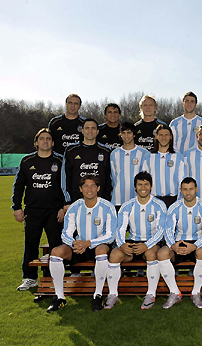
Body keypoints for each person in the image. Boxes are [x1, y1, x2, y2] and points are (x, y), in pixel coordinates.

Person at [46, 175, 116, 312]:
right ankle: (60, 297)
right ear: (80, 189)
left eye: (92, 186)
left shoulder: (108, 207)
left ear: (98, 188)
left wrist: (88, 243)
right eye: (85, 186)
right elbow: (66, 232)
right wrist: (74, 244)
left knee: (102, 250)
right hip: (78, 247)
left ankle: (98, 295)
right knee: (56, 252)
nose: (89, 189)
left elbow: (110, 235)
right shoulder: (74, 207)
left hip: (98, 245)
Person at [12, 128, 66, 291]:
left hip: (54, 211)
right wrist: (17, 207)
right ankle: (29, 278)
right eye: (42, 138)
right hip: (33, 210)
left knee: (56, 245)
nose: (45, 141)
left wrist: (64, 207)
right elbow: (19, 185)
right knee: (31, 244)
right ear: (36, 143)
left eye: (48, 138)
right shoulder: (27, 161)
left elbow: (66, 186)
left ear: (53, 142)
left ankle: (54, 276)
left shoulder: (60, 161)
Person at [104, 172, 167, 310]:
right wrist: (122, 244)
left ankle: (151, 294)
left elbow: (161, 230)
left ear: (151, 186)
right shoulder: (127, 206)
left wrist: (147, 245)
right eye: (140, 184)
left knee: (151, 254)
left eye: (146, 184)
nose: (143, 187)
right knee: (114, 255)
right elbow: (119, 229)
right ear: (135, 187)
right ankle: (113, 294)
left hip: (151, 242)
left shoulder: (159, 205)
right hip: (132, 241)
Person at [156, 177, 202, 309]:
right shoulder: (174, 207)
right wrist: (173, 245)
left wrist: (195, 245)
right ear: (181, 191)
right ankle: (175, 292)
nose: (188, 193)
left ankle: (196, 292)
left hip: (197, 243)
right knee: (162, 253)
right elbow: (168, 229)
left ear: (196, 189)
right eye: (185, 189)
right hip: (178, 243)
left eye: (191, 189)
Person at [61, 118, 112, 203]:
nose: (90, 131)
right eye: (87, 128)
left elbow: (110, 178)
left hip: (100, 201)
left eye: (93, 128)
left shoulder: (106, 151)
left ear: (97, 132)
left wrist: (107, 199)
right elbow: (65, 177)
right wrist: (67, 201)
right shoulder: (71, 150)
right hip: (76, 201)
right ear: (82, 131)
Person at [110, 122, 150, 211]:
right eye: (123, 133)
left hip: (137, 200)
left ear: (134, 134)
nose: (126, 136)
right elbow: (114, 177)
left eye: (129, 133)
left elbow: (147, 177)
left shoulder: (144, 153)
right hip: (118, 200)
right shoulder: (114, 154)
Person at [149, 124, 187, 208]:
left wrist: (180, 201)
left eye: (166, 135)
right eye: (161, 135)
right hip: (154, 201)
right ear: (156, 137)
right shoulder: (148, 157)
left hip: (173, 201)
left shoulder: (179, 157)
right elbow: (145, 181)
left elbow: (183, 180)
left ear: (171, 137)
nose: (164, 138)